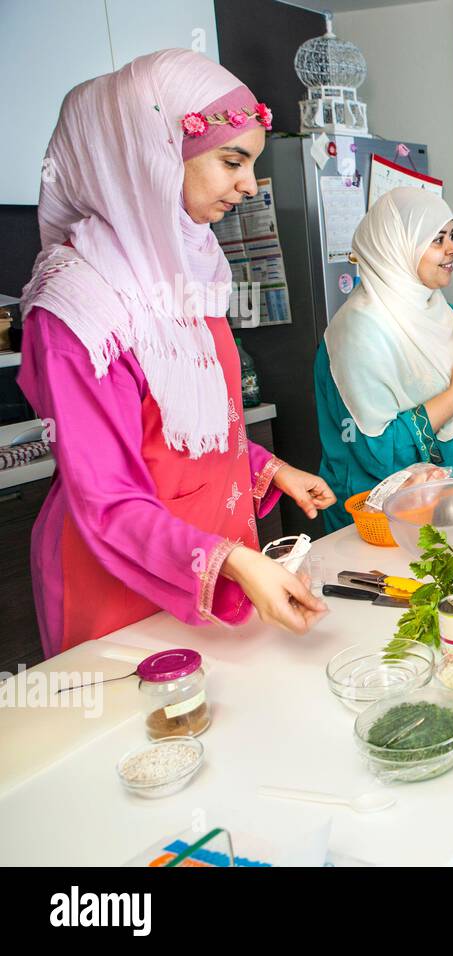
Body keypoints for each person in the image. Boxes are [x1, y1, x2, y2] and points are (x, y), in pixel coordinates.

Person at [18, 49, 335, 656]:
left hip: (209, 565)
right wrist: (235, 563)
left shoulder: (189, 273)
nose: (248, 185)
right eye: (231, 161)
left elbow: (183, 429)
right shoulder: (79, 305)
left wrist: (269, 470)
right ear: (151, 153)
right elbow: (107, 500)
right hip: (121, 590)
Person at [314, 188, 453, 531]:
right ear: (397, 246)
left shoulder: (441, 311)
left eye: (452, 236)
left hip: (452, 505)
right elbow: (378, 453)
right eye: (437, 239)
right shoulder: (357, 332)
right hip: (381, 523)